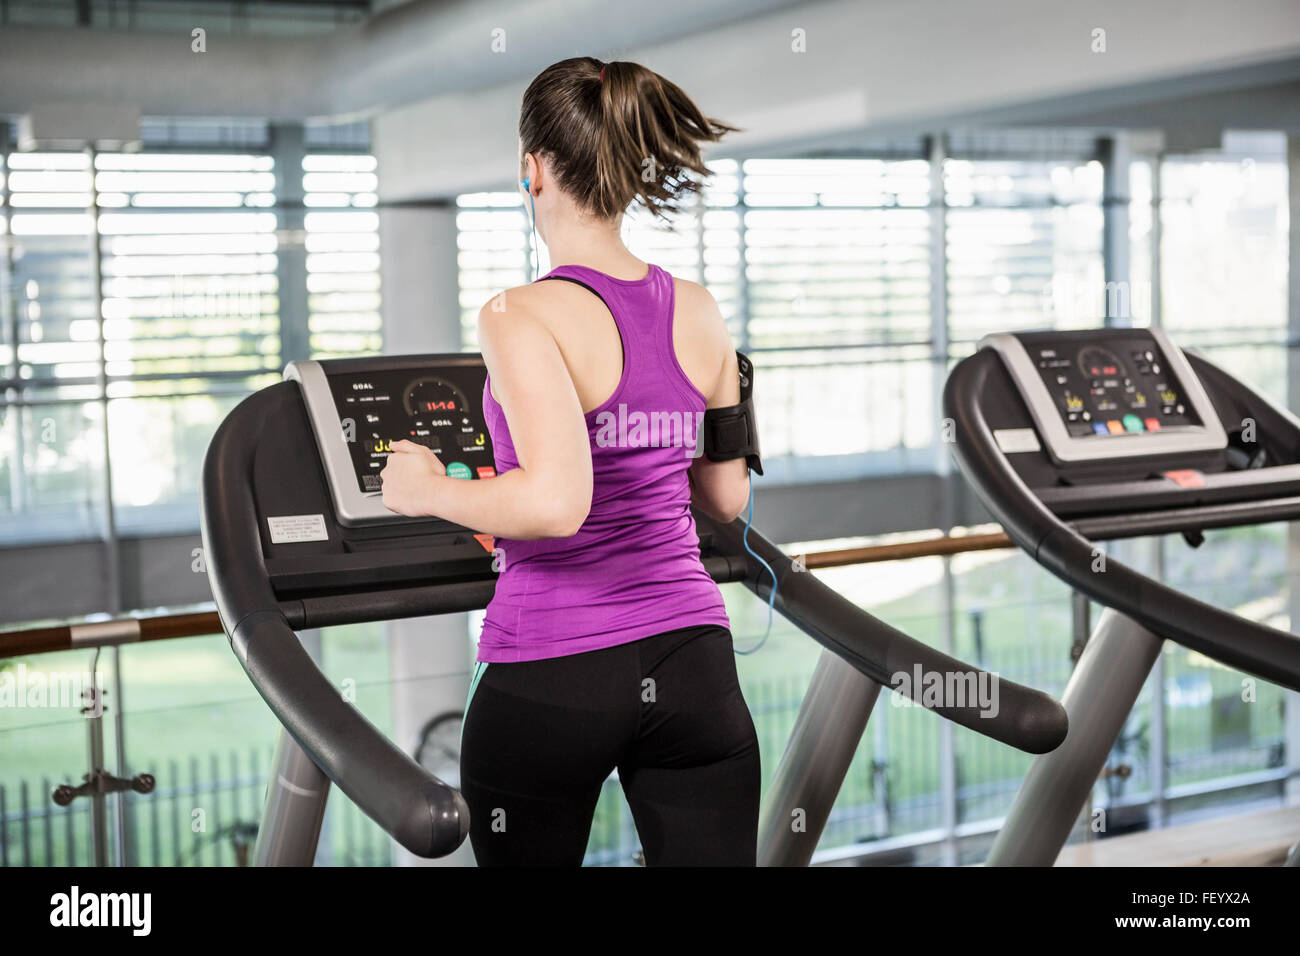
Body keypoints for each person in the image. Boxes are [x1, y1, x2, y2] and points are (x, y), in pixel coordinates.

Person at [378, 56, 759, 867]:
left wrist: (424, 489)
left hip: (556, 670)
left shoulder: (520, 314)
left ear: (533, 170)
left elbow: (555, 505)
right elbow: (725, 497)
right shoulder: (698, 308)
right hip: (693, 663)